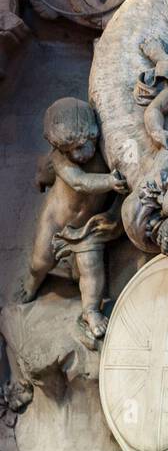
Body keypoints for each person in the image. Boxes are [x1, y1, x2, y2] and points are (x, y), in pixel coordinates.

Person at [17, 98, 126, 345]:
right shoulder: (61, 158)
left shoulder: (106, 150)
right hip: (56, 220)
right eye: (66, 151)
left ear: (93, 134)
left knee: (91, 269)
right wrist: (110, 182)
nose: (74, 155)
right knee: (39, 262)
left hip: (88, 226)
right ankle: (32, 284)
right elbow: (79, 182)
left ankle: (91, 311)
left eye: (78, 147)